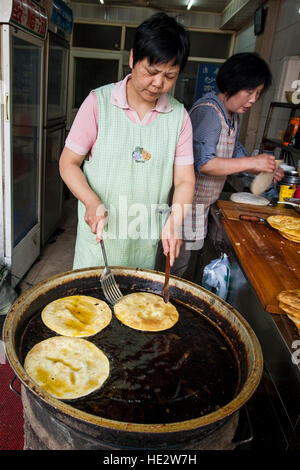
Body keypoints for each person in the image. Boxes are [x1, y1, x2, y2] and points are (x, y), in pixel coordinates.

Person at [59, 13, 195, 272]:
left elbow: (185, 180)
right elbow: (68, 163)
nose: (158, 83)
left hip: (143, 245)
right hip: (98, 245)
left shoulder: (179, 117)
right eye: (151, 72)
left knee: (135, 308)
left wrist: (174, 222)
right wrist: (90, 200)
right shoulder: (98, 103)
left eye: (170, 76)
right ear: (133, 58)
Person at [176, 52, 284, 278]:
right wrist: (252, 162)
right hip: (186, 205)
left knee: (193, 261)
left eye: (258, 93)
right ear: (233, 84)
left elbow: (236, 152)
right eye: (250, 91)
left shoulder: (231, 115)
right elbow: (205, 164)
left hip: (203, 205)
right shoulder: (209, 112)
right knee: (179, 264)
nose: (253, 100)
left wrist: (262, 168)